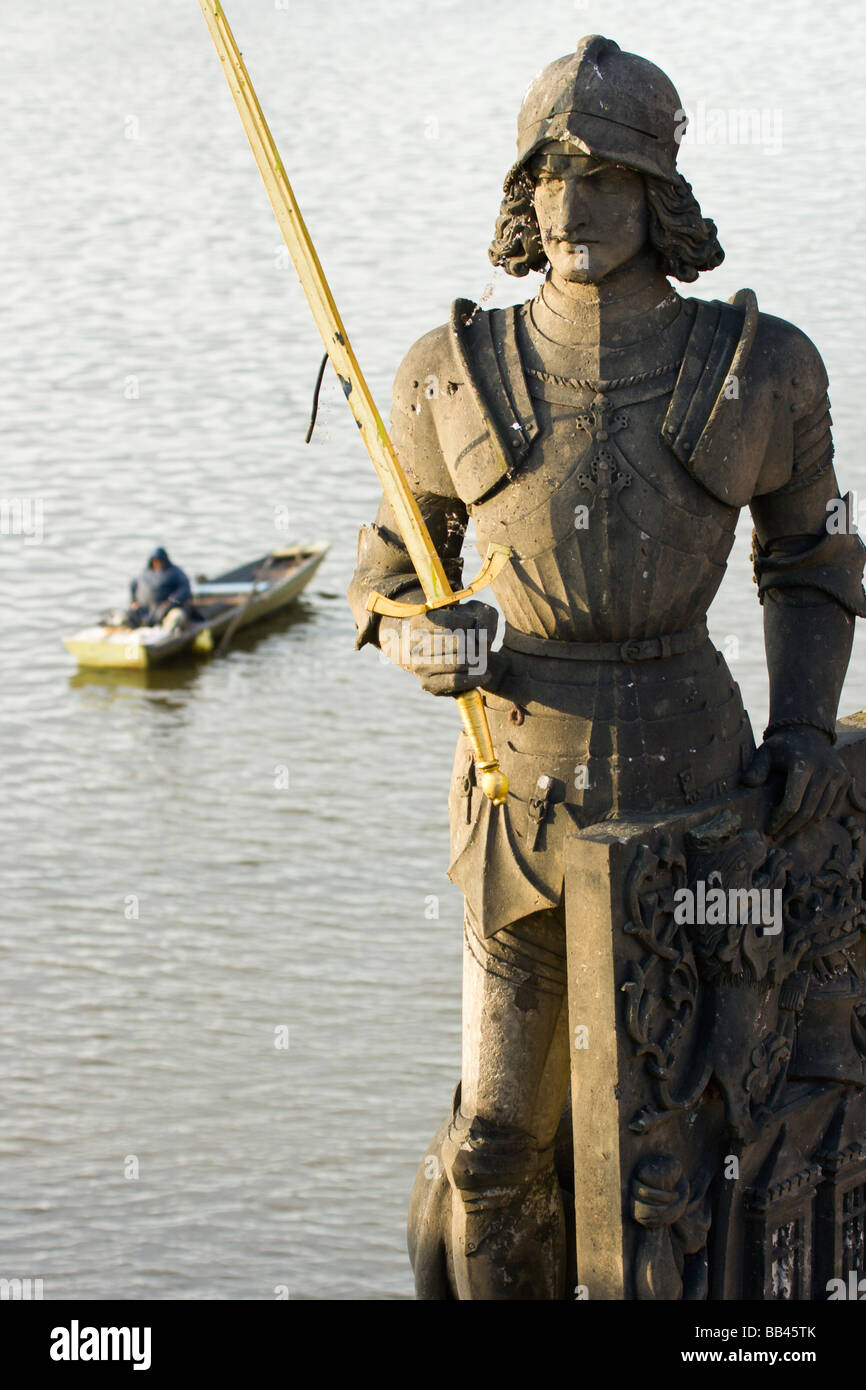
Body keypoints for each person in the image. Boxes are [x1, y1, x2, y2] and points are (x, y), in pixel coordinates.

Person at [347, 35, 866, 1298]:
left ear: (657, 193)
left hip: (704, 798)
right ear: (518, 192)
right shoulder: (445, 373)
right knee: (497, 1145)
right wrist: (421, 635)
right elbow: (385, 575)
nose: (570, 207)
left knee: (689, 1143)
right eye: (548, 177)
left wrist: (804, 729)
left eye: (603, 176)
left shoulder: (762, 367)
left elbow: (809, 561)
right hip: (520, 802)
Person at [128, 546, 192, 630]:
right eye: (155, 561)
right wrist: (133, 601)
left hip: (165, 609)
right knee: (128, 614)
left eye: (160, 561)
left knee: (176, 615)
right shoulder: (143, 573)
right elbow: (132, 586)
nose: (157, 563)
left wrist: (171, 601)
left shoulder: (175, 572)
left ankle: (166, 633)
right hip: (143, 610)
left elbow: (185, 588)